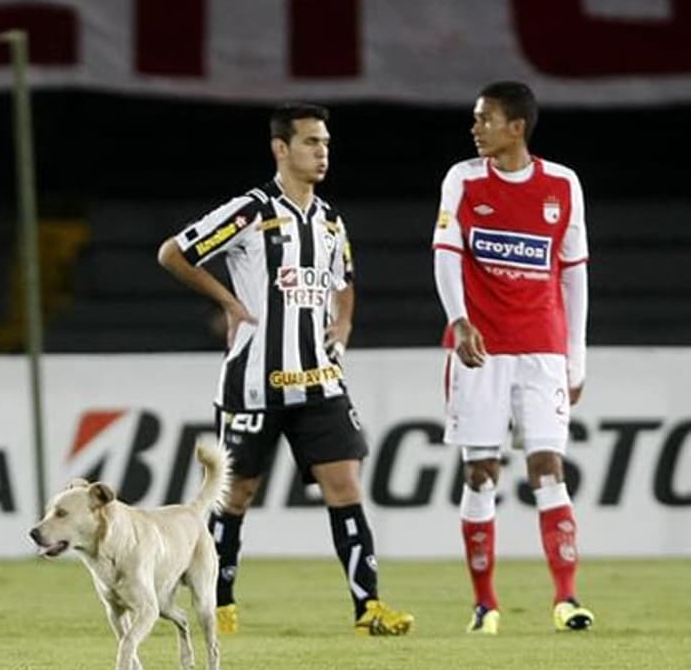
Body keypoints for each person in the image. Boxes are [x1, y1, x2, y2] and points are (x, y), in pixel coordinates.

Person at [157, 104, 413, 637]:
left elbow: (343, 282)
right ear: (281, 149)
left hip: (320, 380)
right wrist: (229, 302)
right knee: (237, 495)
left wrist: (342, 326)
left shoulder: (330, 221)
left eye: (326, 143)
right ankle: (219, 605)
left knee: (345, 486)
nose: (322, 152)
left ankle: (369, 608)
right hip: (254, 383)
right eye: (311, 142)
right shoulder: (250, 211)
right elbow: (173, 253)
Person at [433, 81, 593, 635]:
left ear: (516, 127)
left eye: (485, 119)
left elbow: (574, 275)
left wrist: (576, 359)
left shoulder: (562, 185)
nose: (475, 128)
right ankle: (485, 605)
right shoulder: (464, 179)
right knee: (480, 473)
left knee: (548, 468)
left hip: (543, 349)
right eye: (476, 119)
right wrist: (460, 319)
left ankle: (567, 599)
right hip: (482, 352)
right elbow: (447, 256)